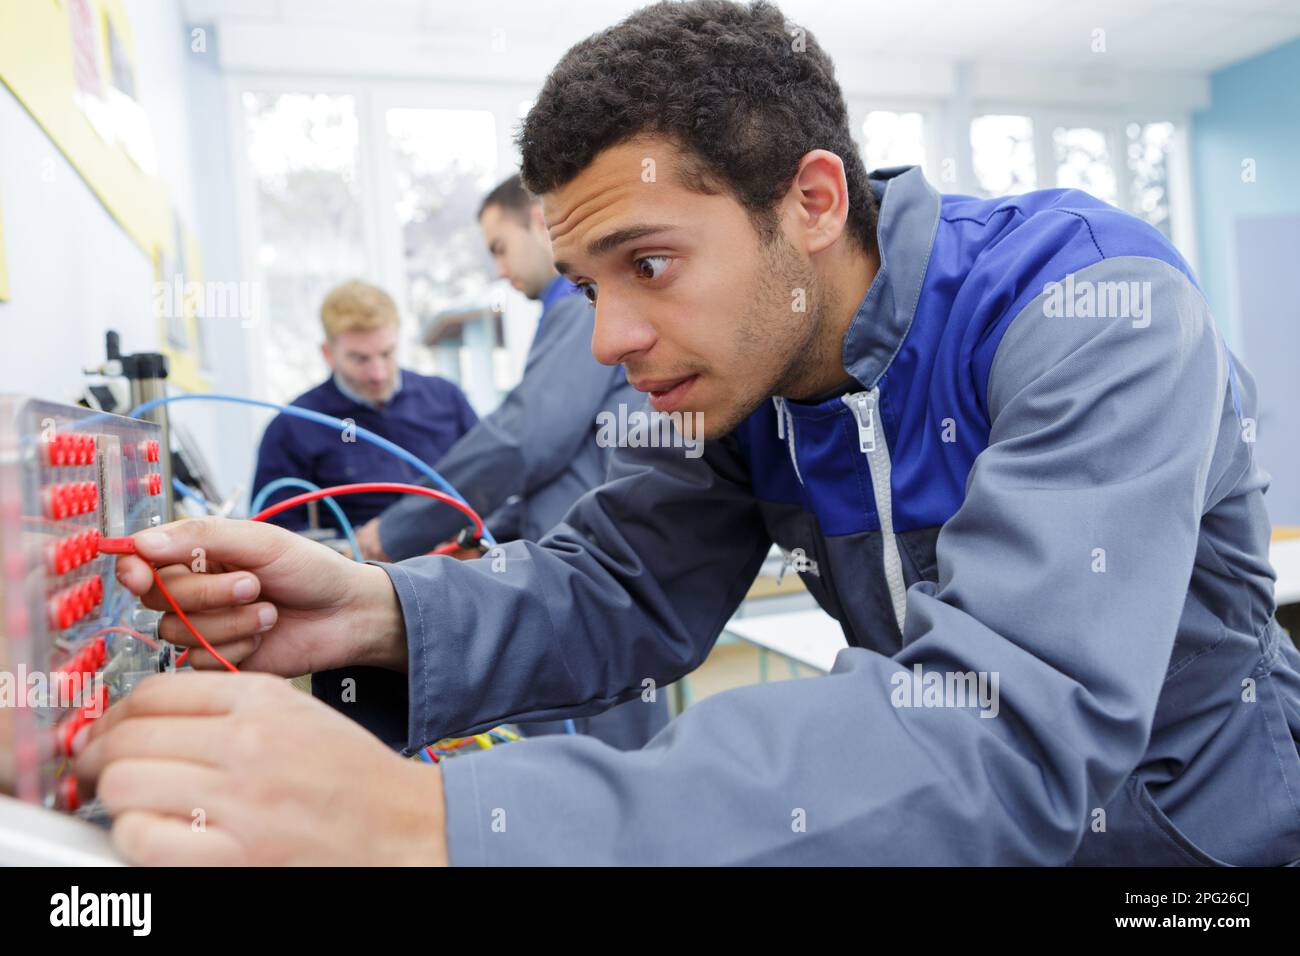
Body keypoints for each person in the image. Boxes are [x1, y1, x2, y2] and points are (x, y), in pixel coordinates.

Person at [77, 0, 1300, 866]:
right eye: (585, 283)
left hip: (1195, 846)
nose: (609, 335)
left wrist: (429, 824)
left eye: (649, 262)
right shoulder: (740, 378)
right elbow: (617, 586)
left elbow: (1005, 731)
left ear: (812, 201)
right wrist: (372, 612)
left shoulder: (1090, 308)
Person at [349, 174, 669, 749]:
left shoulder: (580, 310)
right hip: (578, 587)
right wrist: (482, 532)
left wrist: (400, 528)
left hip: (597, 592)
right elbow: (558, 471)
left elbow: (524, 440)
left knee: (607, 779)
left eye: (500, 247)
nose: (499, 268)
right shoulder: (568, 314)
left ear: (540, 222)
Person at [251, 279, 478, 534]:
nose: (378, 374)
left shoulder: (446, 399)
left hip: (458, 557)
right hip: (356, 567)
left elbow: (488, 480)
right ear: (328, 354)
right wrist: (353, 548)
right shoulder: (294, 428)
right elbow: (273, 534)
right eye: (360, 359)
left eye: (386, 353)